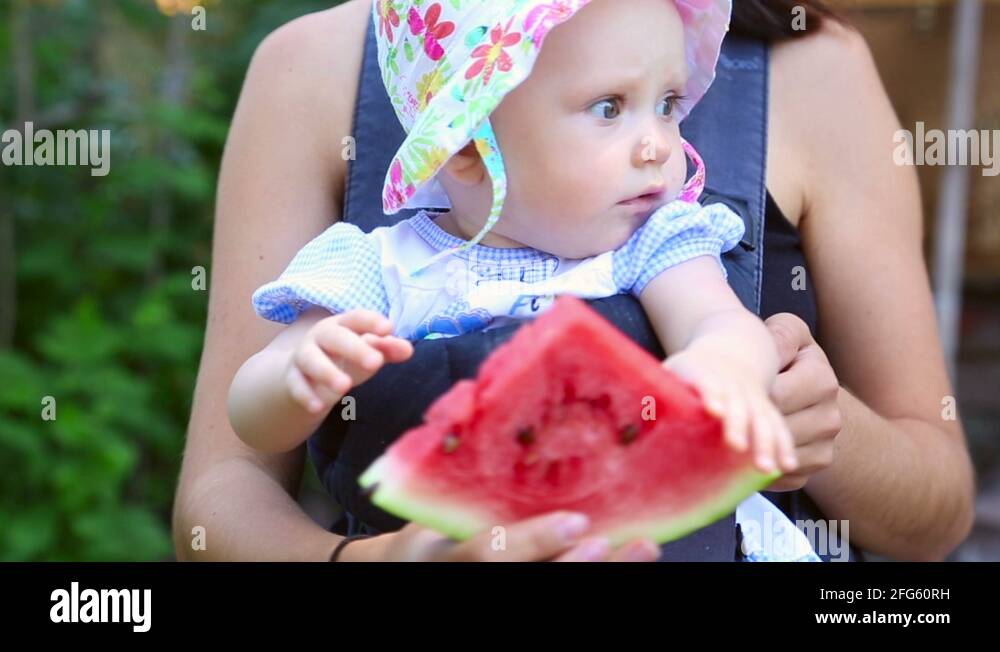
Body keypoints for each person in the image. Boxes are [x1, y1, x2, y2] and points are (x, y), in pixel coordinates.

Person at [173, 0, 976, 562]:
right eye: (608, 109)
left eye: (669, 104)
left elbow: (715, 329)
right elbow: (233, 466)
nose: (661, 143)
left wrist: (743, 390)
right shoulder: (377, 258)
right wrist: (300, 378)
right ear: (461, 149)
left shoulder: (661, 231)